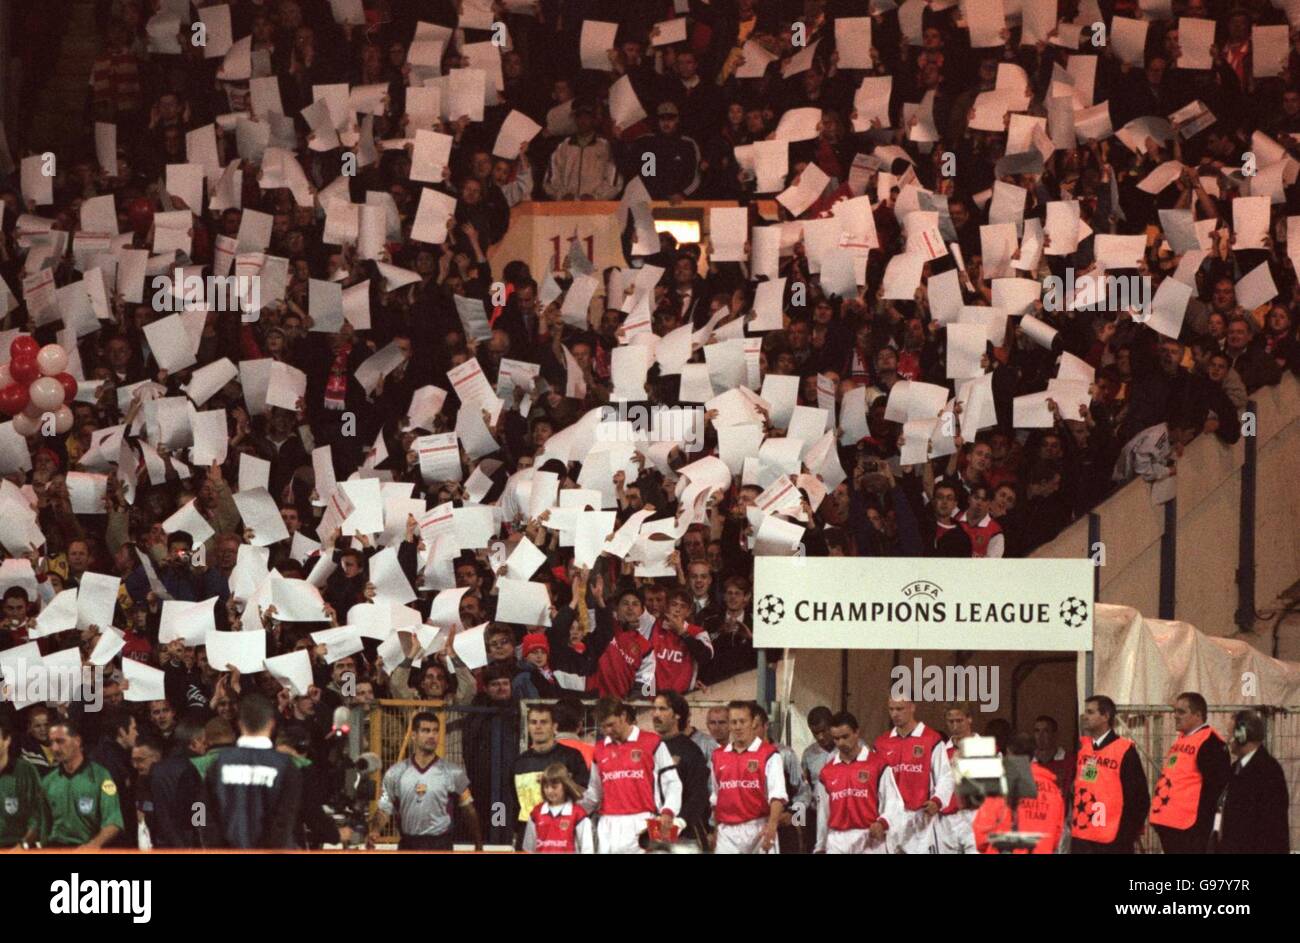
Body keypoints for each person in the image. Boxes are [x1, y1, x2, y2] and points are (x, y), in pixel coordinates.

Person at [202, 693, 303, 849]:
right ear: (271, 724)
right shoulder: (286, 766)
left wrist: (211, 846)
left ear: (240, 724)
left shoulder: (218, 764)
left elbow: (202, 811)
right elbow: (285, 820)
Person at [580, 698, 681, 854]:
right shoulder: (599, 749)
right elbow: (594, 793)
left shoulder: (652, 742)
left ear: (623, 716)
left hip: (645, 821)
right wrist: (572, 812)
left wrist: (668, 811)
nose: (607, 731)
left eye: (610, 724)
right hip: (608, 826)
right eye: (603, 726)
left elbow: (673, 782)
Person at [371, 712, 482, 851]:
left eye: (435, 731)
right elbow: (384, 809)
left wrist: (478, 844)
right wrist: (375, 830)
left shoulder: (453, 772)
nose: (432, 735)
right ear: (413, 735)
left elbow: (469, 810)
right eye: (425, 730)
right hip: (408, 844)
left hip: (441, 845)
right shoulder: (395, 773)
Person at [1149, 692, 1231, 854]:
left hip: (1189, 827)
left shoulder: (1210, 742)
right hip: (1169, 822)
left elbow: (1215, 788)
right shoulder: (1183, 739)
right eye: (1175, 712)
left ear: (1198, 715)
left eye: (1181, 712)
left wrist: (1201, 826)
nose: (1175, 716)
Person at [814, 711, 904, 854]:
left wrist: (883, 823)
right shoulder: (827, 772)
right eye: (836, 739)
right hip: (836, 842)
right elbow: (823, 813)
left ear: (857, 732)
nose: (841, 743)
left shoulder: (878, 765)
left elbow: (894, 802)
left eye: (845, 737)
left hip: (870, 841)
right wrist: (820, 846)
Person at [1070, 695, 1150, 854]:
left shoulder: (1124, 750)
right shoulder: (1085, 748)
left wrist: (1125, 836)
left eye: (1090, 712)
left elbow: (1139, 798)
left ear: (1105, 716)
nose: (1085, 716)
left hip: (1111, 841)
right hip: (1083, 837)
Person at [873, 699, 953, 854]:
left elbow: (946, 776)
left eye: (900, 708)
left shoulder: (931, 739)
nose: (895, 714)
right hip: (890, 821)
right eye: (891, 709)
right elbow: (874, 783)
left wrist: (937, 801)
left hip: (921, 821)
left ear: (912, 707)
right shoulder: (881, 743)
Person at [710, 700, 787, 854]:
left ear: (753, 722)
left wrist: (772, 827)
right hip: (727, 832)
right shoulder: (717, 756)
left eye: (742, 721)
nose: (738, 727)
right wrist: (715, 830)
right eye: (733, 722)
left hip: (759, 828)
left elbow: (777, 796)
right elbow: (716, 798)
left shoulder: (769, 754)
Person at [972, 735, 1066, 854]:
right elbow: (1057, 835)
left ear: (1009, 753)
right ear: (1033, 754)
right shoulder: (1054, 790)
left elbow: (981, 832)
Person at [512, 703, 589, 847]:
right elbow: (510, 802)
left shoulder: (571, 756)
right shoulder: (519, 762)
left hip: (563, 834)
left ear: (554, 727)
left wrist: (563, 781)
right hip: (527, 834)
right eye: (533, 722)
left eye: (544, 722)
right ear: (528, 726)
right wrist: (504, 828)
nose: (538, 727)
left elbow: (585, 794)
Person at [1212, 710, 1290, 853]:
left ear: (1242, 735)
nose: (1228, 739)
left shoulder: (1268, 771)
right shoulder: (1236, 768)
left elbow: (1271, 828)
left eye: (1230, 733)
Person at [40, 716, 124, 848]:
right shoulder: (48, 781)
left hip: (86, 847)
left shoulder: (101, 776)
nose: (55, 748)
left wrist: (93, 845)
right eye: (51, 742)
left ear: (77, 741)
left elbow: (114, 822)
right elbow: (43, 827)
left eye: (60, 741)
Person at [650, 691, 710, 845]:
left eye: (662, 709)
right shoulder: (648, 748)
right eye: (654, 709)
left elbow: (699, 794)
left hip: (685, 835)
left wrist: (680, 822)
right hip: (653, 831)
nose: (656, 714)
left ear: (677, 715)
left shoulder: (691, 751)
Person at [144, 712, 207, 848]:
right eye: (204, 741)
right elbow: (198, 807)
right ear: (194, 742)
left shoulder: (157, 768)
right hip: (185, 842)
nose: (206, 746)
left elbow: (151, 809)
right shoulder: (189, 769)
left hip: (161, 843)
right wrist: (201, 838)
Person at [522, 763, 594, 854]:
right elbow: (529, 849)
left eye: (554, 787)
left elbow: (587, 849)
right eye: (546, 786)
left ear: (565, 786)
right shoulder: (536, 813)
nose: (549, 791)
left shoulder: (578, 814)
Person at [936, 704, 978, 854]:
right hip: (947, 820)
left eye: (959, 721)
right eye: (951, 721)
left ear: (969, 719)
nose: (955, 726)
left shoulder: (986, 747)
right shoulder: (940, 752)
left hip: (974, 816)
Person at [0, 712, 47, 847]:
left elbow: (39, 816)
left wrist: (23, 845)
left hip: (17, 846)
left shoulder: (25, 771)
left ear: (7, 740)